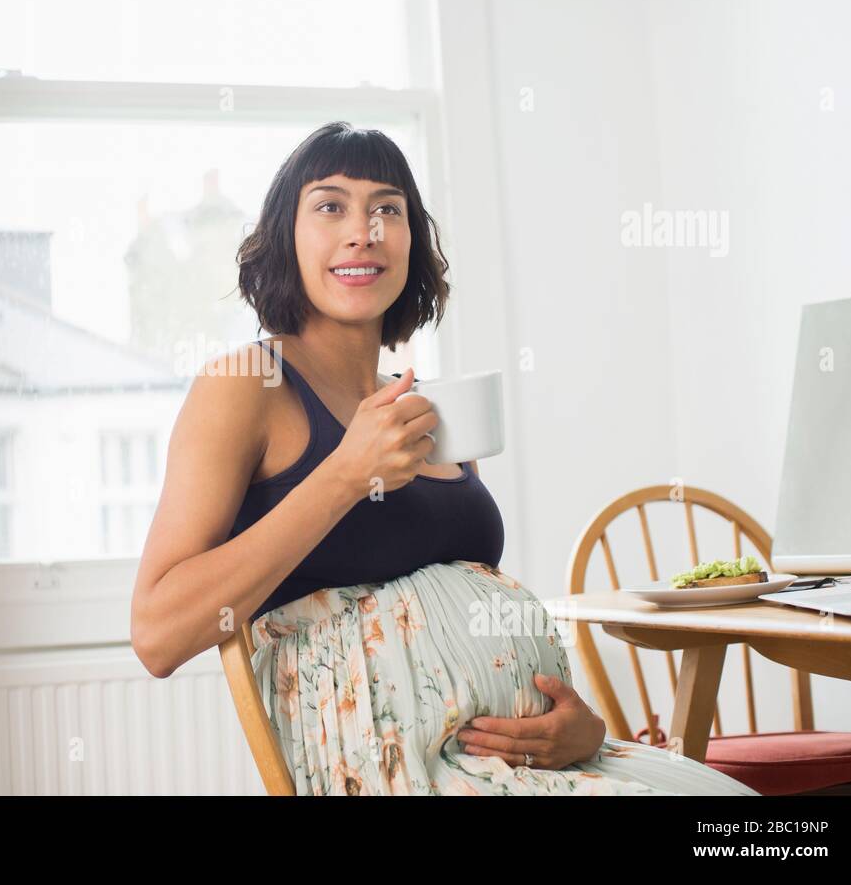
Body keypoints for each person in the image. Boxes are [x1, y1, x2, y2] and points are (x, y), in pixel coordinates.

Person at [130, 121, 759, 795]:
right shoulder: (246, 386)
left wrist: (583, 729)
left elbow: (463, 626)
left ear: (411, 242)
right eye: (331, 205)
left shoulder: (424, 407)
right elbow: (158, 635)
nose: (362, 231)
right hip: (391, 770)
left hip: (531, 759)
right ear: (287, 234)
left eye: (387, 209)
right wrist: (346, 475)